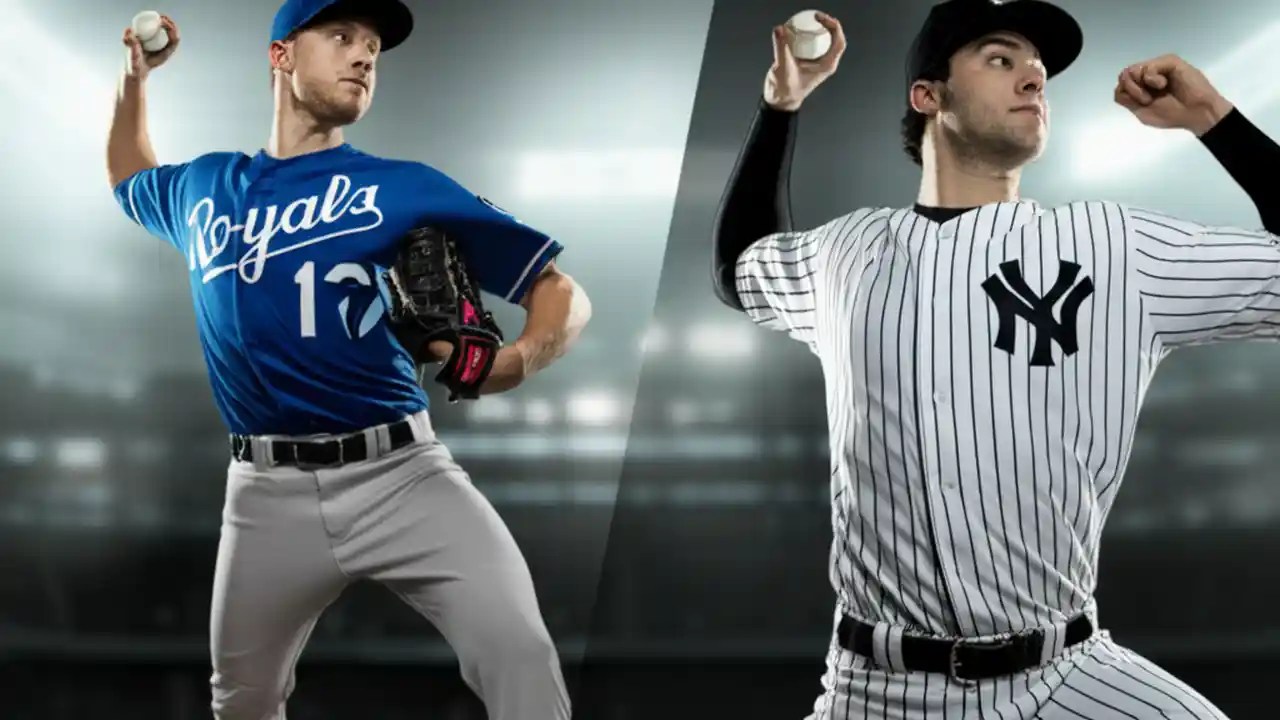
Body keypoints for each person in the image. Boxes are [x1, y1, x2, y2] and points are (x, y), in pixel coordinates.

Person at [713, 1, 1278, 717]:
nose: (1034, 77)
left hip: (1066, 675)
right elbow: (738, 267)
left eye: (1038, 69)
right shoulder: (844, 253)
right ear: (929, 97)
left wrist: (1214, 119)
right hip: (874, 688)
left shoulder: (1113, 248)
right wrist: (780, 105)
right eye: (1000, 58)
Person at [106, 1, 591, 718]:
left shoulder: (406, 187)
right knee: (241, 701)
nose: (365, 56)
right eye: (340, 37)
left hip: (402, 476)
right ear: (281, 56)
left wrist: (517, 359)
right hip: (263, 495)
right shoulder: (204, 188)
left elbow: (560, 289)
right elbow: (128, 176)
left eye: (372, 46)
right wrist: (134, 79)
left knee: (520, 654)